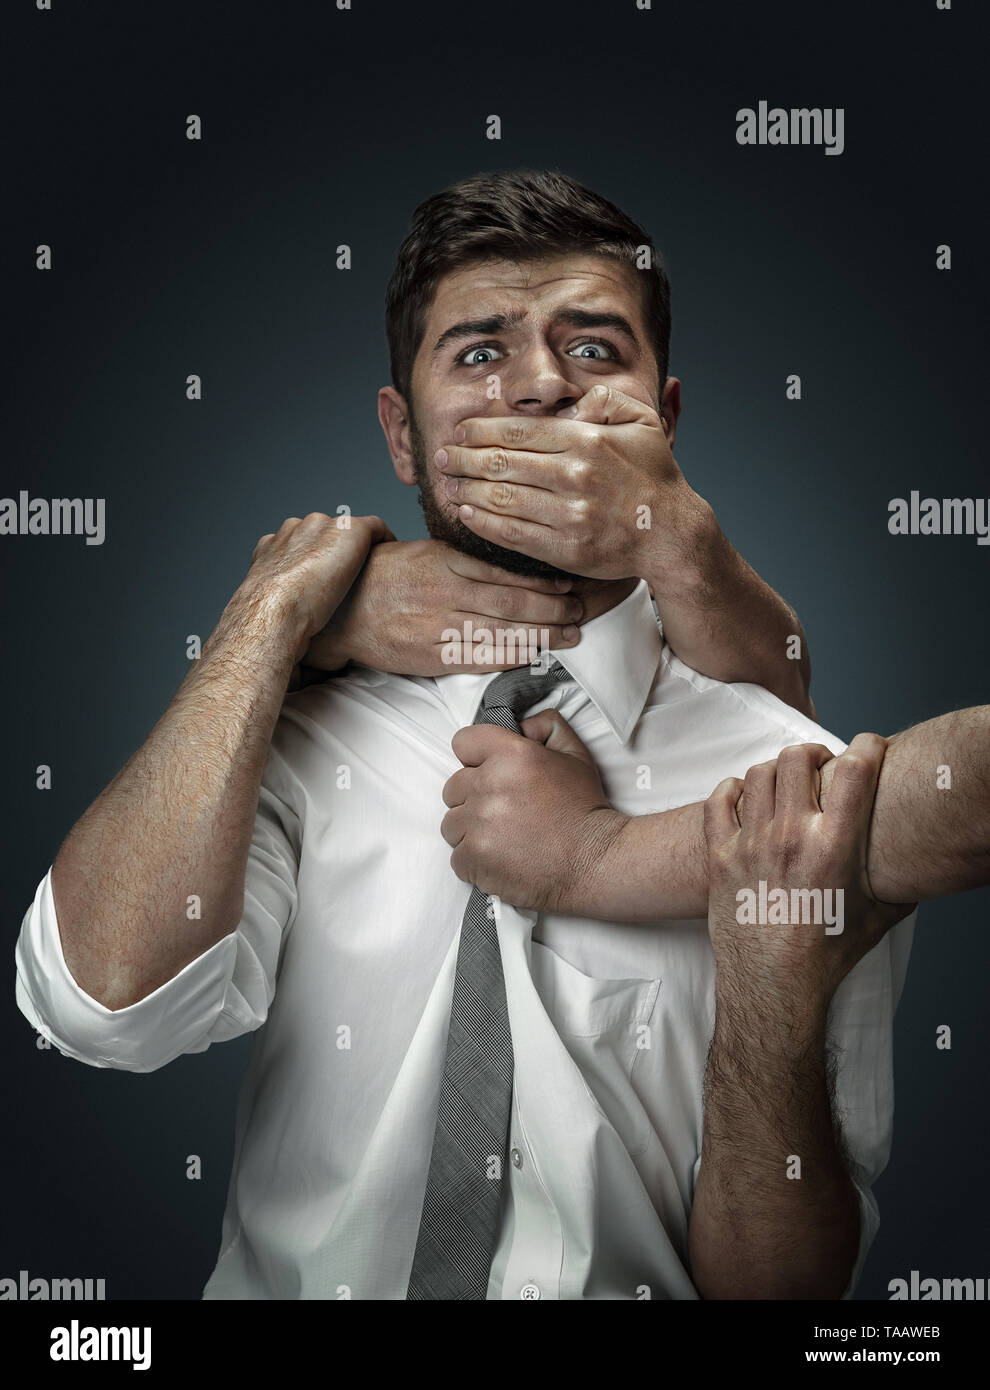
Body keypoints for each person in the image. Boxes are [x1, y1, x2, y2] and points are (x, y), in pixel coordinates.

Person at [15, 168, 941, 1301]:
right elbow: (101, 1009)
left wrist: (766, 993)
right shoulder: (286, 733)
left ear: (668, 419)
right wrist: (269, 620)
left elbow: (786, 1296)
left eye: (595, 348)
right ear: (402, 439)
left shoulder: (793, 782)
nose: (542, 383)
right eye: (480, 352)